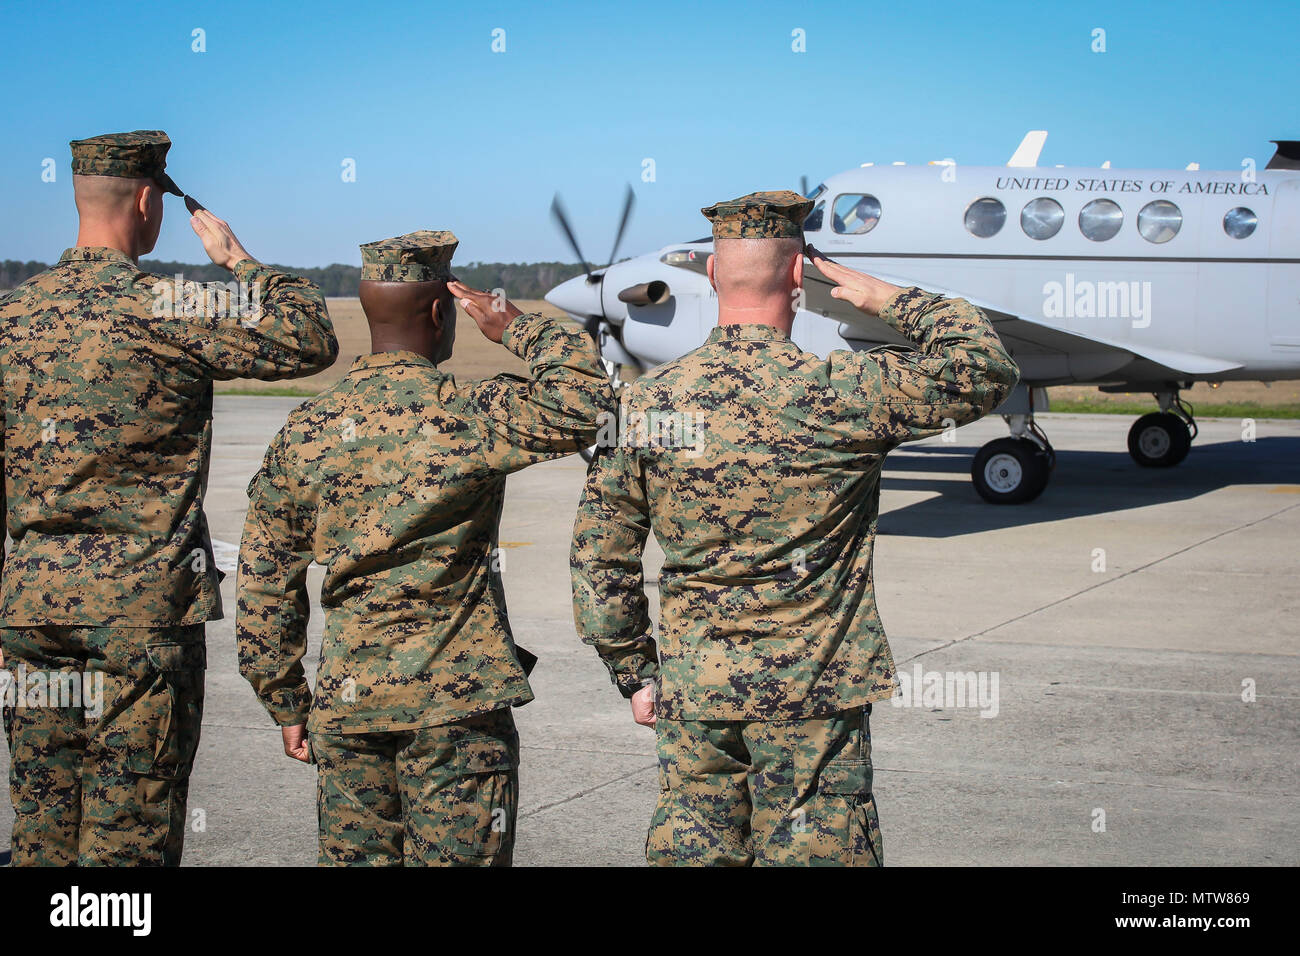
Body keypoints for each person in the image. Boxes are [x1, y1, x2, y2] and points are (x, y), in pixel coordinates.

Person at [570, 189, 1019, 866]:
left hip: (696, 689)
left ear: (713, 276)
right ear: (798, 277)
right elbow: (983, 367)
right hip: (817, 693)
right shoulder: (845, 392)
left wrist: (634, 672)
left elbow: (600, 560)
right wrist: (890, 298)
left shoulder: (645, 404)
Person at [0, 129, 338, 865]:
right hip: (139, 610)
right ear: (150, 202)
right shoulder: (170, 303)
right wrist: (239, 260)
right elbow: (309, 338)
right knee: (131, 821)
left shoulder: (11, 316)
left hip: (30, 608)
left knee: (43, 813)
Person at [237, 230, 615, 865]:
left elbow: (264, 579)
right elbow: (588, 406)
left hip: (348, 701)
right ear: (442, 313)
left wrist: (283, 698)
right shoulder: (470, 412)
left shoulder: (305, 430)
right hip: (456, 706)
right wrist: (522, 329)